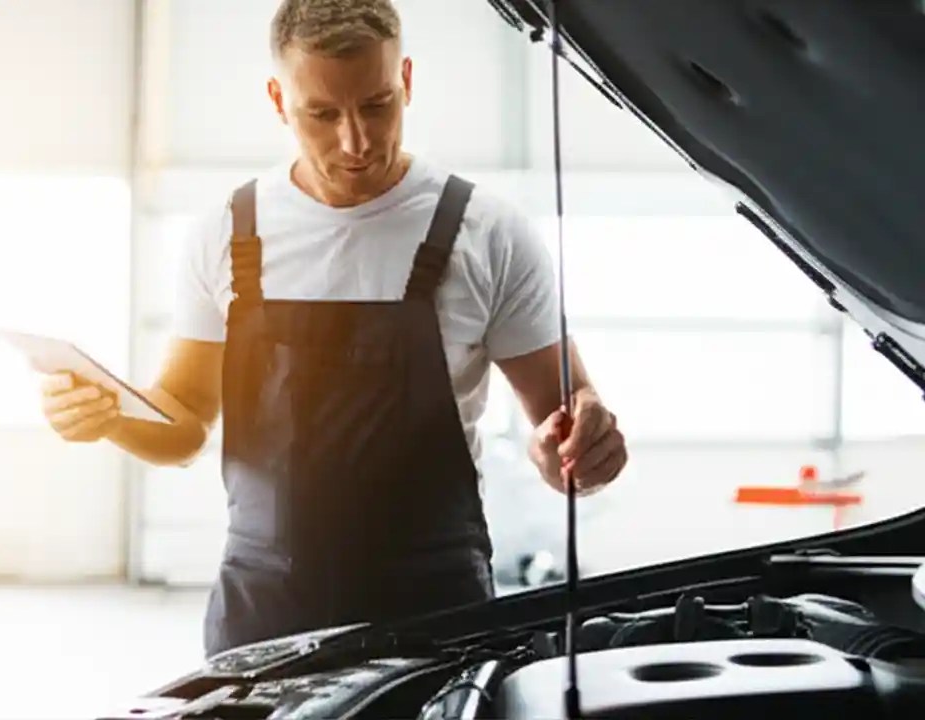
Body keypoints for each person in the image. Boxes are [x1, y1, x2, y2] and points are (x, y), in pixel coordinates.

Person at [40, 0, 628, 658]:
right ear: (278, 100)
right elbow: (184, 425)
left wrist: (579, 454)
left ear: (406, 80)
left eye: (377, 105)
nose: (356, 142)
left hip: (439, 617)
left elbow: (567, 427)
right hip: (262, 615)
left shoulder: (489, 233)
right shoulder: (227, 233)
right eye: (321, 114)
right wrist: (109, 417)